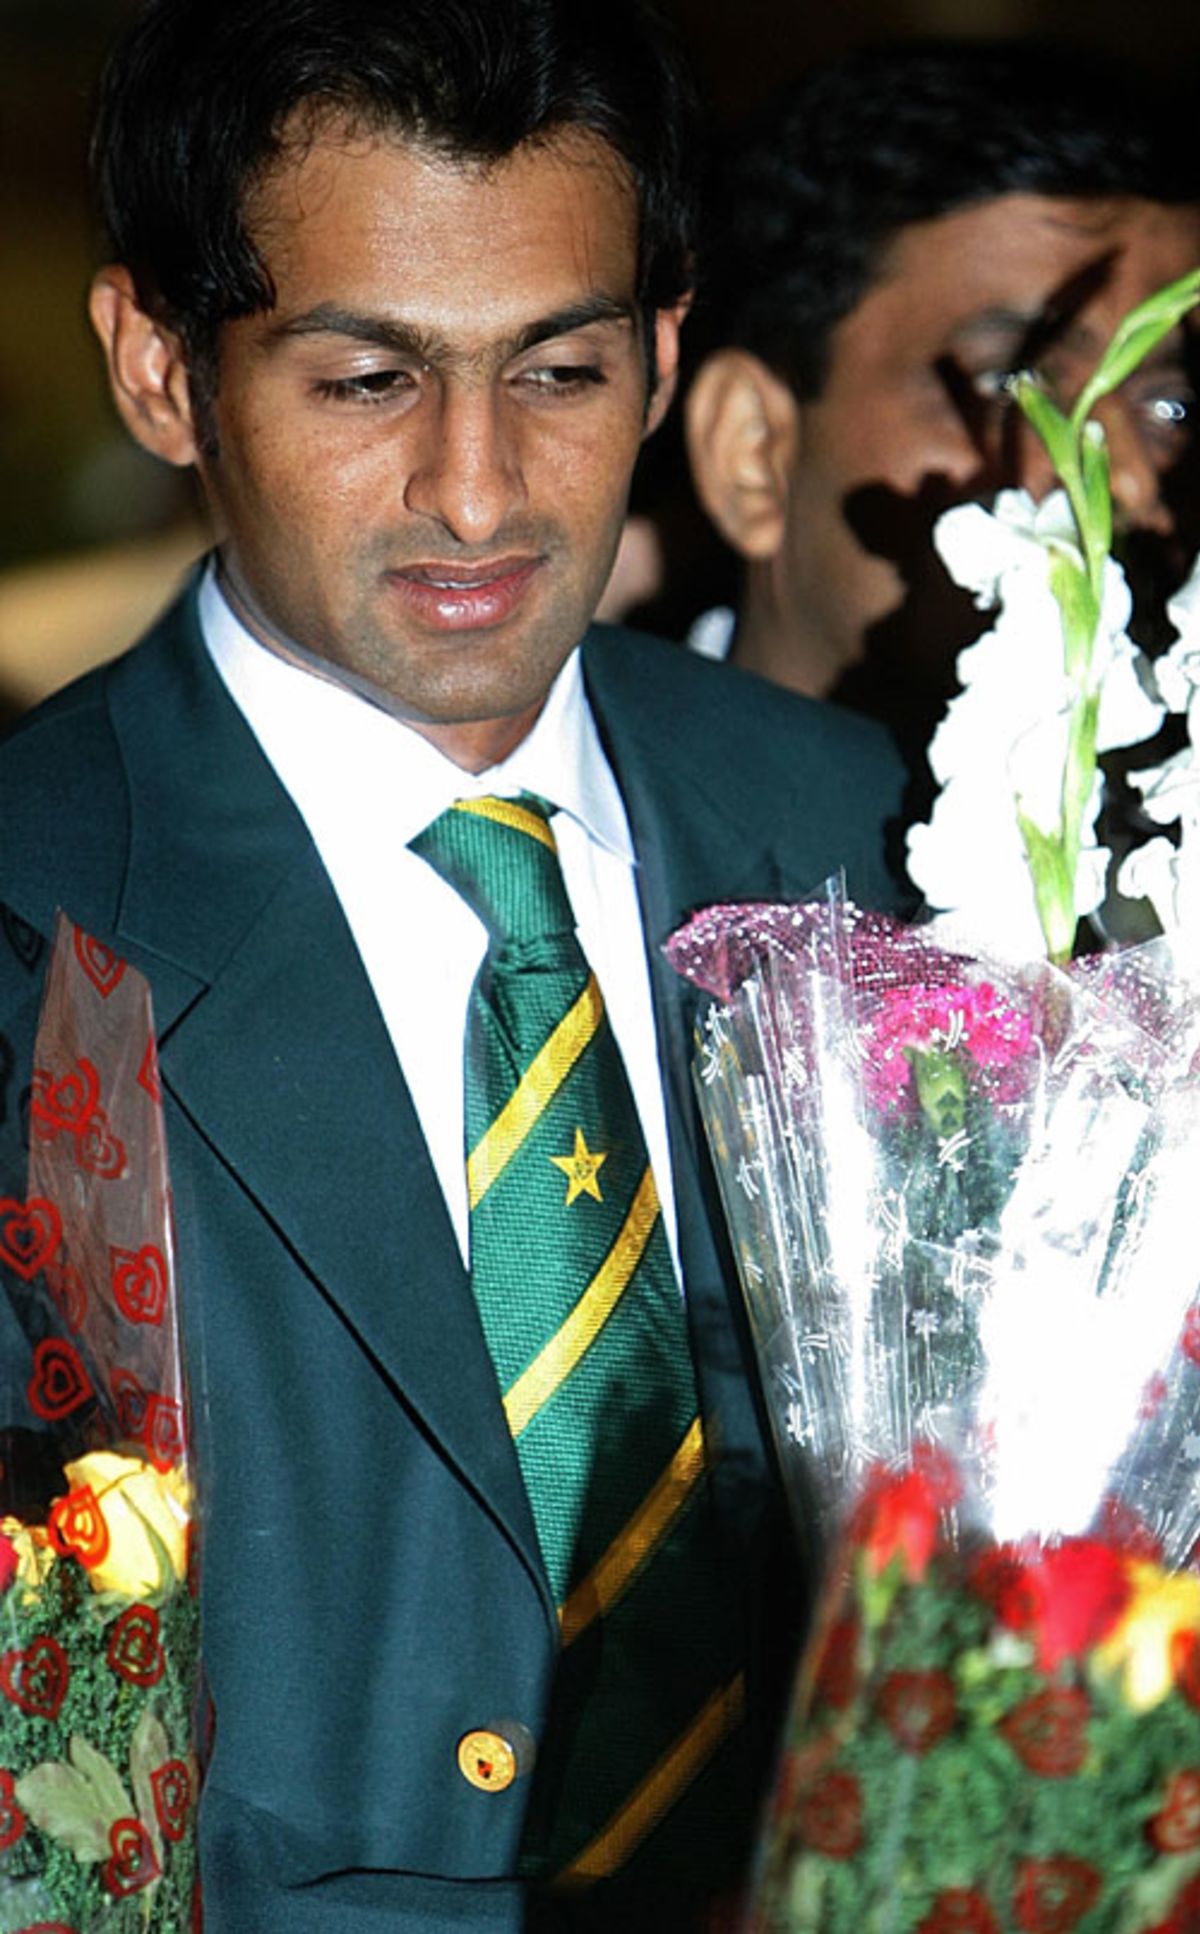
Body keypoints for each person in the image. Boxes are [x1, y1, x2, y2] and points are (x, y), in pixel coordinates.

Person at [0, 2, 908, 1928]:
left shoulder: (859, 825)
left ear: (667, 350)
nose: (480, 493)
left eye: (560, 369)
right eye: (364, 383)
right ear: (163, 369)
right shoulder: (35, 902)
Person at [683, 41, 1200, 798]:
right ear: (751, 451)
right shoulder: (585, 849)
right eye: (1015, 385)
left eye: (1170, 406)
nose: (1127, 479)